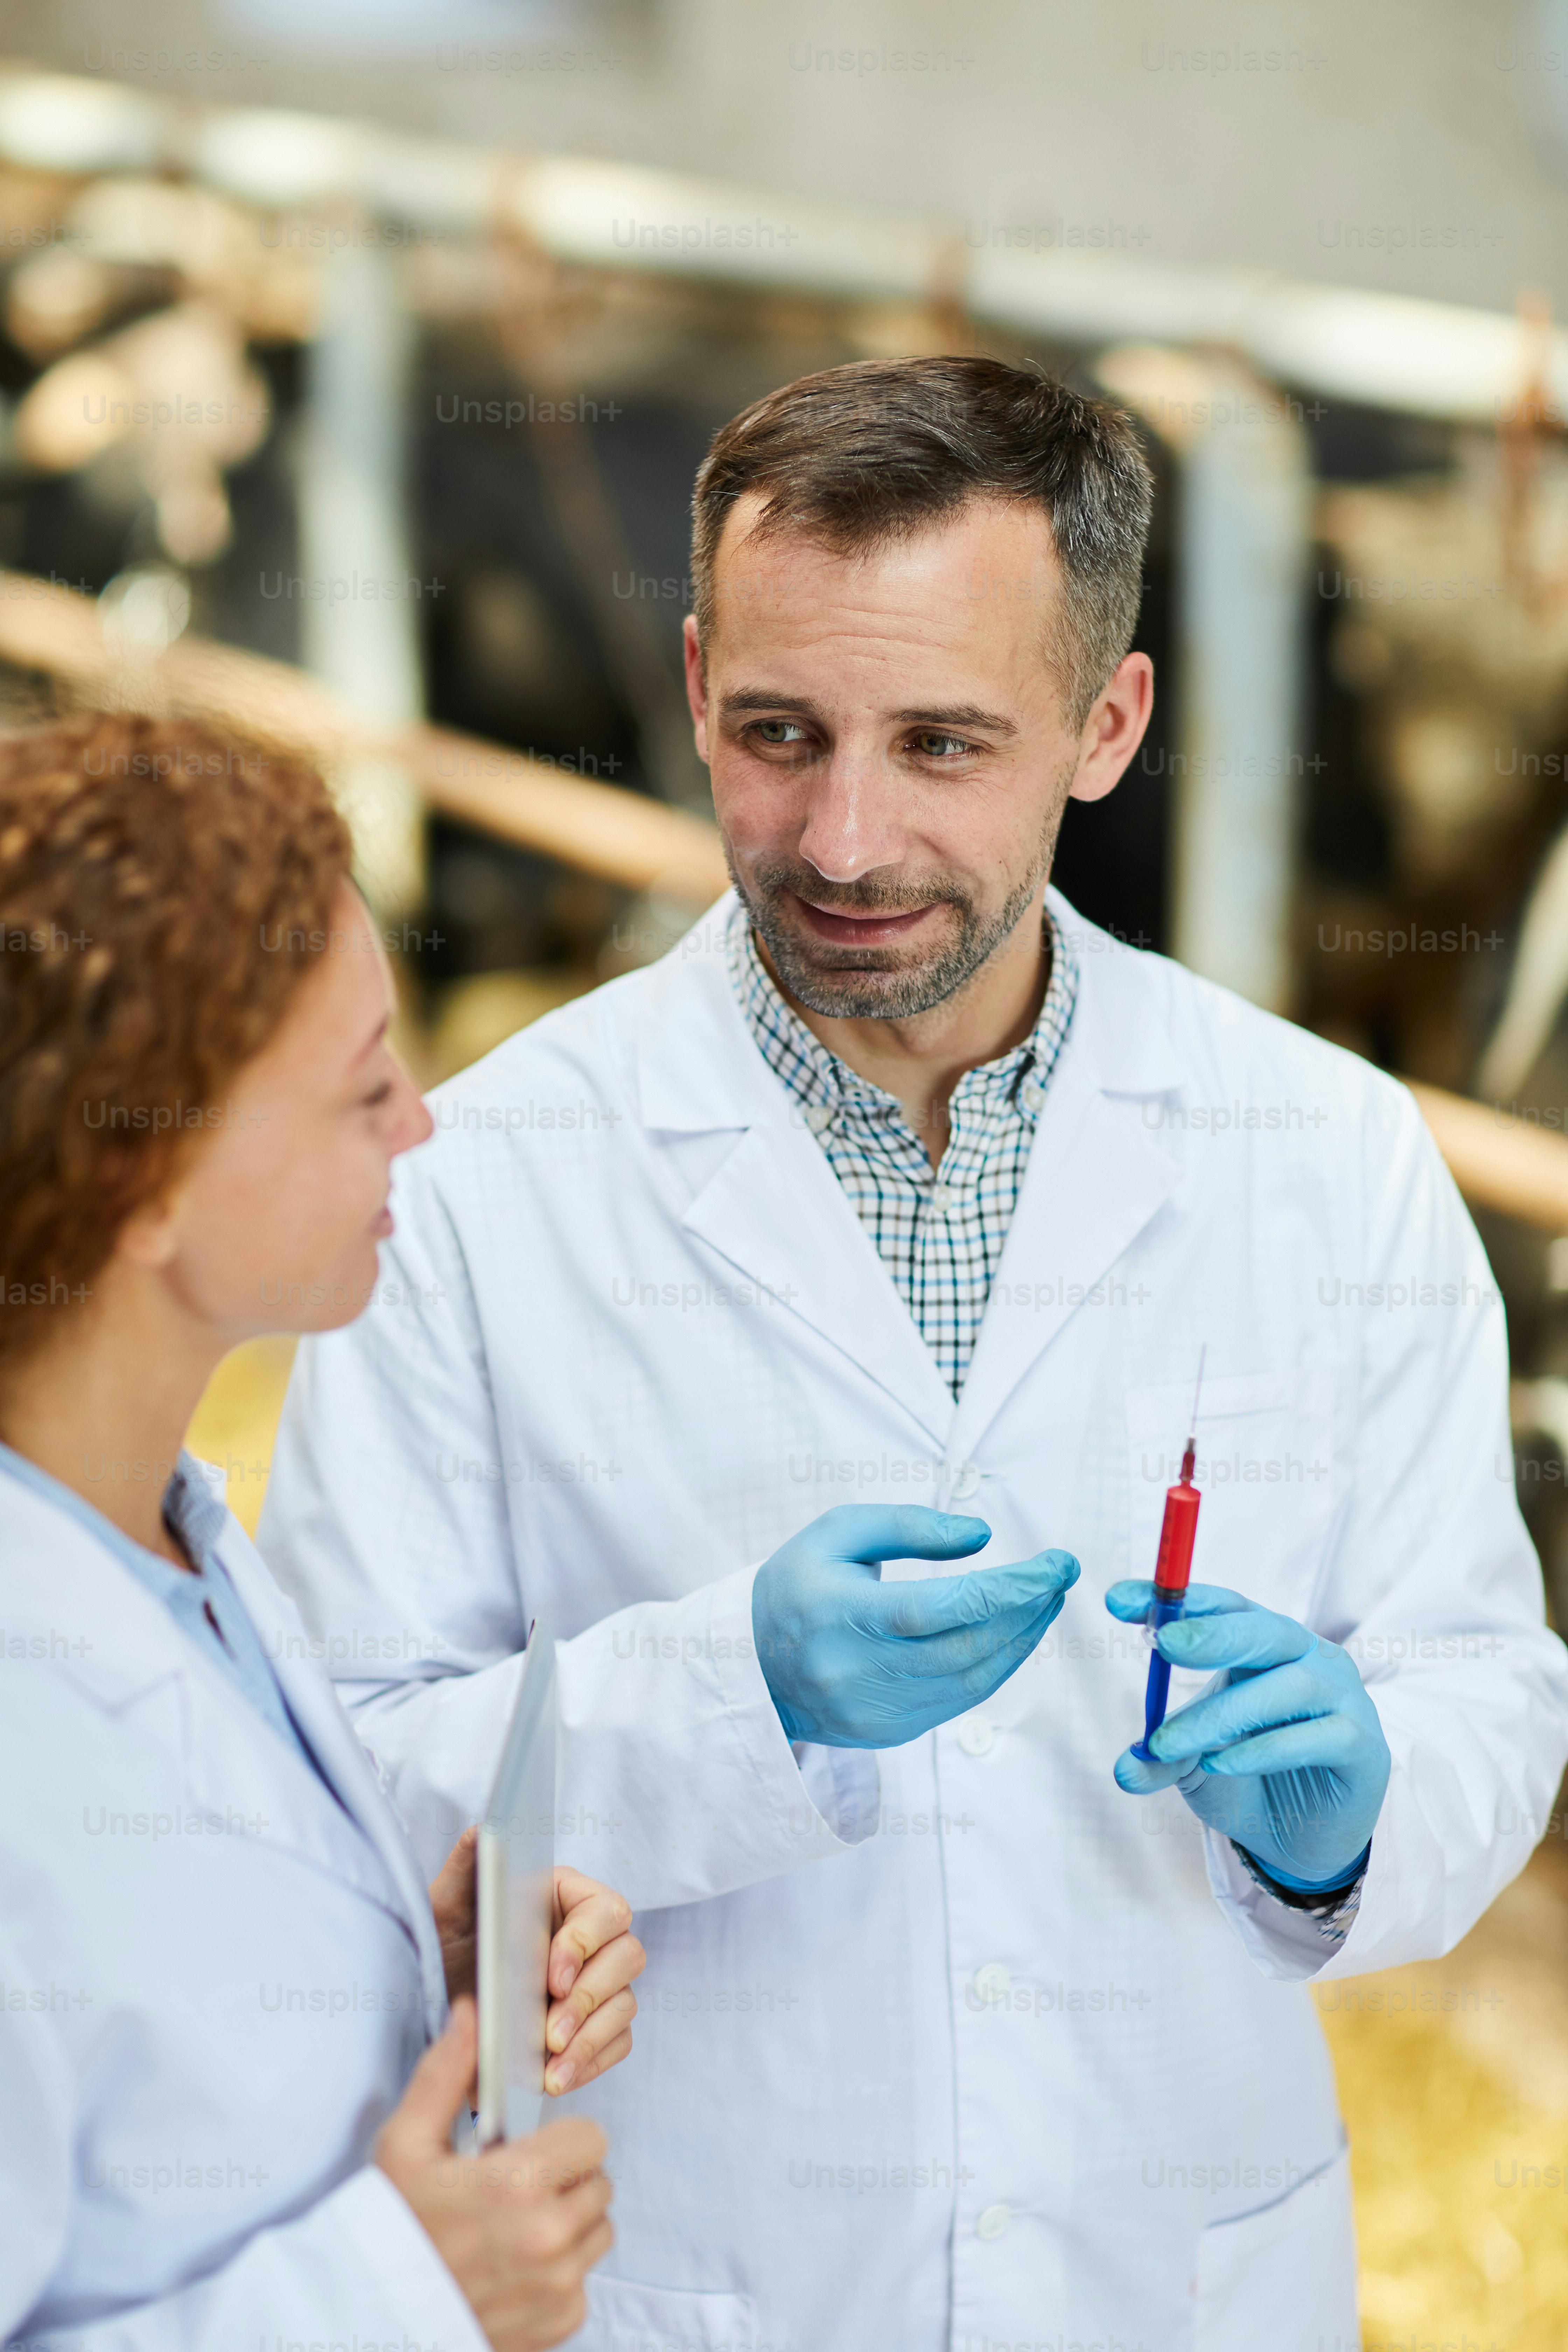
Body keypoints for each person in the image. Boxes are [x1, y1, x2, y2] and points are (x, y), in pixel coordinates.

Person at [259, 357, 1568, 2351]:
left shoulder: (1327, 1160)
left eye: (944, 744)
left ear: (1106, 724)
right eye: (781, 735)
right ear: (697, 687)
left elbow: (1482, 1673)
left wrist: (1372, 1811)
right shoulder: (477, 1187)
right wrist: (726, 1700)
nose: (847, 840)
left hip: (1182, 2272)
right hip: (703, 2279)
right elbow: (340, 1787)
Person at [0, 715, 646, 2352]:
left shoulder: (164, 1535)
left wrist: (402, 1960)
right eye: (363, 1082)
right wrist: (402, 2297)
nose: (418, 1124)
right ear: (144, 1178)